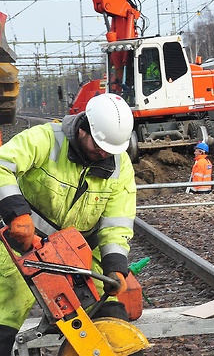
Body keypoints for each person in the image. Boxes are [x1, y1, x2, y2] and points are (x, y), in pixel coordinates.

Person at [0, 93, 137, 355]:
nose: (104, 154)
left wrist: (115, 267)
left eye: (110, 150)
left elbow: (116, 223)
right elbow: (1, 164)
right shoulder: (45, 139)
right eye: (99, 147)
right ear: (83, 128)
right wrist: (16, 212)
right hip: (24, 247)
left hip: (81, 255)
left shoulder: (120, 167)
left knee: (110, 319)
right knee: (5, 314)